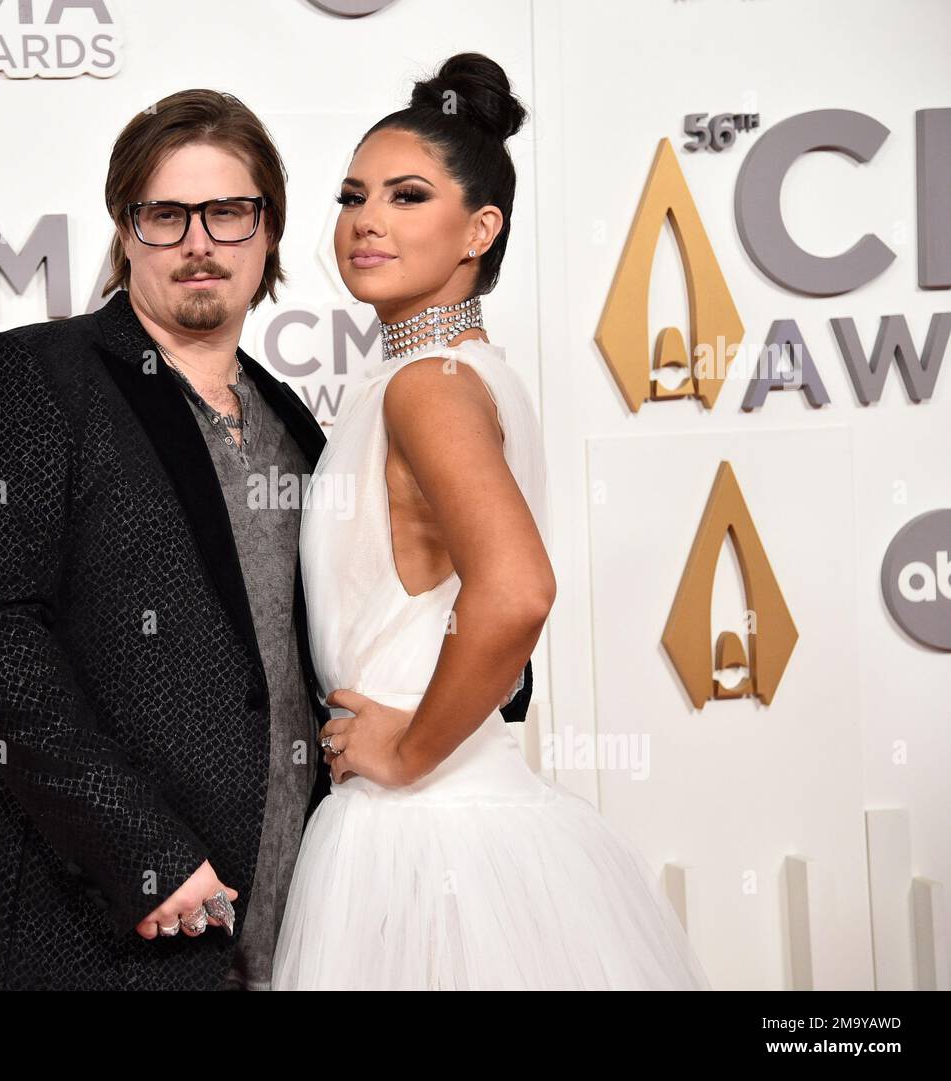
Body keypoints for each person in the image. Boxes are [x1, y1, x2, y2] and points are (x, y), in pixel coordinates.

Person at [270, 53, 712, 990]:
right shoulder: (453, 376)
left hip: (426, 836)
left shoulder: (431, 388)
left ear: (481, 229)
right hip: (454, 826)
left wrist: (407, 747)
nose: (366, 221)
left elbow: (518, 591)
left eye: (407, 196)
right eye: (354, 196)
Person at [0, 89, 332, 990]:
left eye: (229, 211)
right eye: (165, 214)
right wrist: (138, 846)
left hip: (281, 907)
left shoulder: (295, 424)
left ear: (268, 232)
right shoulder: (32, 376)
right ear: (125, 228)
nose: (199, 241)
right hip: (95, 918)